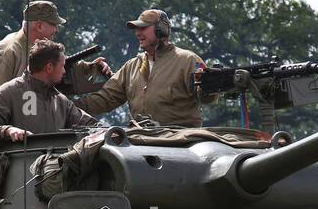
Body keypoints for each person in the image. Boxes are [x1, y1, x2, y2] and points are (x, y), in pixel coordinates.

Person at [0, 0, 108, 124]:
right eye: (54, 24)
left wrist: (91, 68)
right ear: (39, 25)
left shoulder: (36, 48)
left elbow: (58, 65)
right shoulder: (6, 54)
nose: (56, 29)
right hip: (3, 137)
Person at [74, 8, 214, 127]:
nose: (138, 33)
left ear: (161, 30)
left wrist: (209, 86)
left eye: (143, 28)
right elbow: (106, 98)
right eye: (136, 29)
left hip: (179, 142)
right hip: (141, 142)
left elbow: (208, 97)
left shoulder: (188, 60)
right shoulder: (132, 66)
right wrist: (67, 108)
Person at [0, 40, 100, 147]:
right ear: (49, 68)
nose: (64, 72)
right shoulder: (9, 92)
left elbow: (91, 126)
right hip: (18, 169)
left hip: (54, 171)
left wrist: (110, 132)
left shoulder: (61, 101)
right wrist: (8, 130)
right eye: (62, 66)